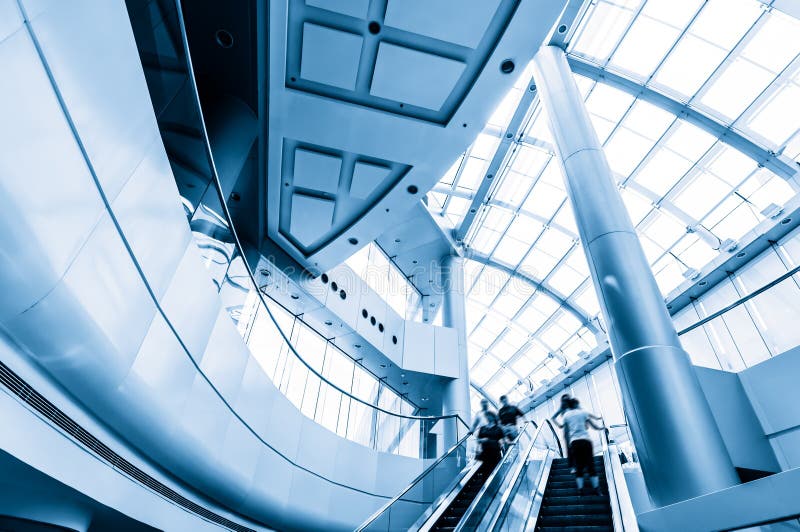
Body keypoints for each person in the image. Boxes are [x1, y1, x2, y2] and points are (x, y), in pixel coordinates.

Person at [553, 398, 605, 495]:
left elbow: (566, 431)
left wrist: (569, 444)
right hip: (586, 441)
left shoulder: (566, 415)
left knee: (578, 466)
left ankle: (580, 490)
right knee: (590, 464)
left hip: (574, 442)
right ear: (576, 404)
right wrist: (602, 428)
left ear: (569, 406)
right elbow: (593, 426)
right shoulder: (583, 412)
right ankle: (597, 489)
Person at [551, 394, 573, 471]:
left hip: (575, 428)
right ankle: (572, 465)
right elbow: (553, 418)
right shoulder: (562, 408)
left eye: (567, 400)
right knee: (569, 448)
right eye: (564, 400)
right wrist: (559, 425)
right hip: (567, 430)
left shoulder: (572, 407)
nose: (566, 401)